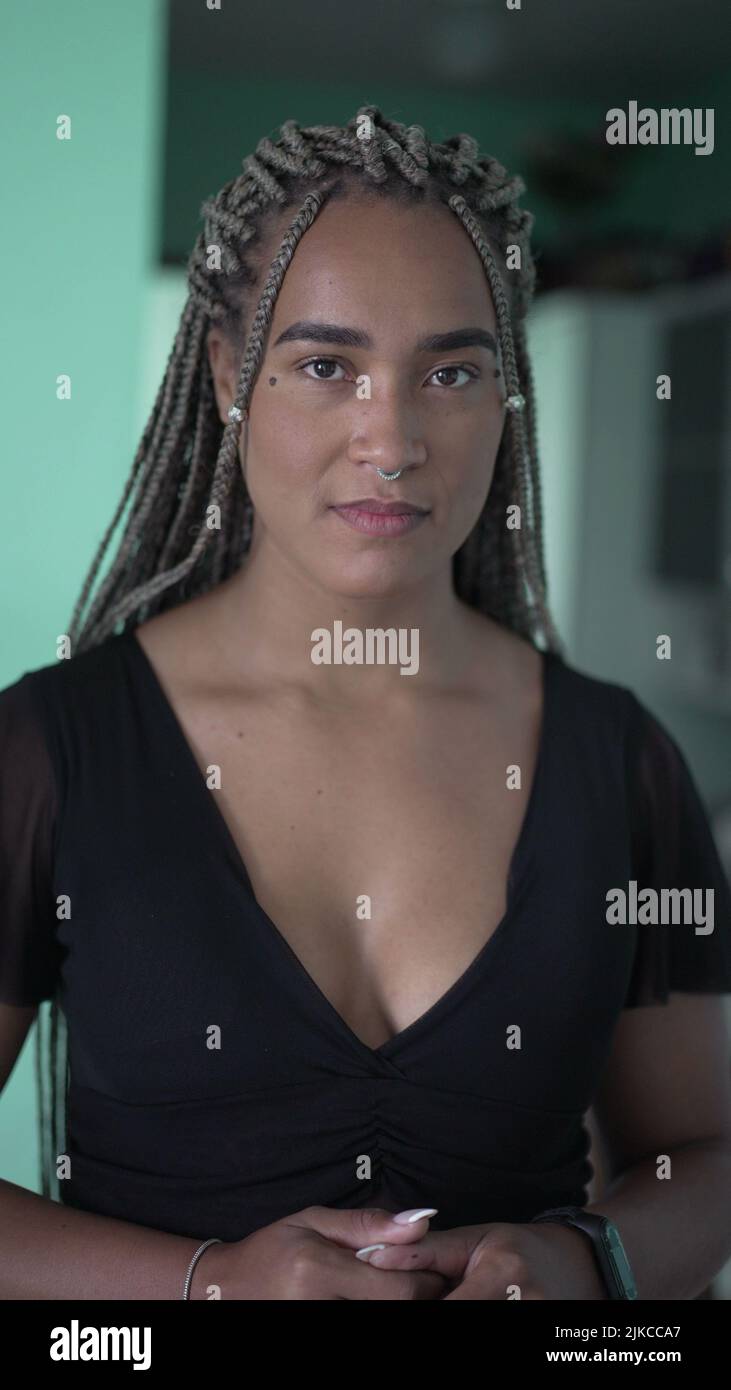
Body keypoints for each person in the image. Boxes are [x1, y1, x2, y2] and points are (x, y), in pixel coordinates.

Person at [1, 106, 731, 1302]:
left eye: (449, 370)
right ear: (234, 375)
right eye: (325, 365)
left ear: (504, 391)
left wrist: (584, 1259)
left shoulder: (619, 763)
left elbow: (697, 1156)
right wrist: (208, 1283)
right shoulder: (51, 751)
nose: (388, 439)